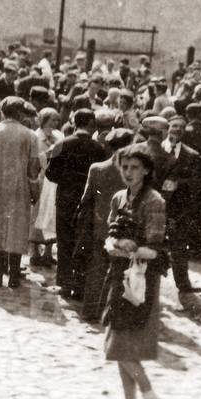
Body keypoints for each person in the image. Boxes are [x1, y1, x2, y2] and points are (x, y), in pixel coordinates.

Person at [97, 146, 167, 399]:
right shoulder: (118, 198)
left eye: (134, 167)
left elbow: (157, 248)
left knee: (121, 345)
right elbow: (109, 237)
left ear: (147, 170)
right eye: (124, 166)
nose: (128, 172)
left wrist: (132, 248)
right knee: (117, 345)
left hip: (141, 279)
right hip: (118, 274)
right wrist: (115, 245)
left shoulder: (154, 201)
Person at [0, 96, 41, 288]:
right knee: (16, 228)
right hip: (19, 189)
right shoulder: (30, 136)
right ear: (20, 113)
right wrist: (34, 191)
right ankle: (13, 275)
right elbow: (33, 168)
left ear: (3, 111)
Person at [45, 108, 108, 298]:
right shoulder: (98, 148)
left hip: (65, 198)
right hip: (87, 201)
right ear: (91, 124)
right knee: (83, 242)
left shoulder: (62, 144)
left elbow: (50, 174)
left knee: (64, 241)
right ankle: (80, 285)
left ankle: (64, 283)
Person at [76, 128, 136, 323]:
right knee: (119, 272)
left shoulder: (97, 168)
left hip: (100, 226)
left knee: (96, 270)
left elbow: (86, 198)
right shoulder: (132, 173)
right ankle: (110, 314)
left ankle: (89, 311)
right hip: (124, 228)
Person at [160, 115, 201, 293]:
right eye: (174, 126)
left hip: (178, 208)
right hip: (155, 206)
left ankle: (183, 284)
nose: (177, 130)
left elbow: (196, 182)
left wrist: (179, 183)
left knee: (178, 247)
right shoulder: (157, 149)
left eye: (181, 127)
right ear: (168, 127)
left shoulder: (191, 155)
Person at [29, 107, 62, 267]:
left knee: (51, 215)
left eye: (57, 120)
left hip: (54, 181)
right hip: (40, 179)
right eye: (51, 120)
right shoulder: (35, 137)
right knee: (36, 214)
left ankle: (48, 251)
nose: (55, 123)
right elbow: (34, 159)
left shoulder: (59, 137)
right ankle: (34, 251)